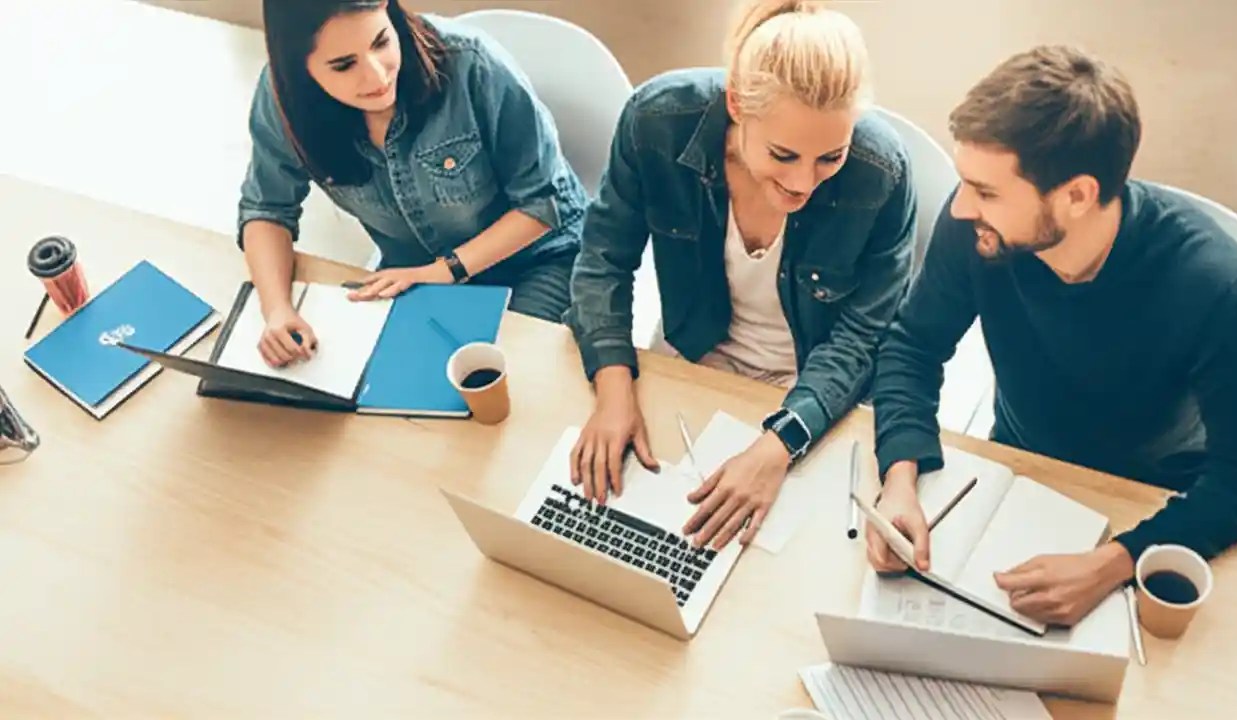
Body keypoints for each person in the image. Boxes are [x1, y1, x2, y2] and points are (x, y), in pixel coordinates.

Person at [869, 45, 1237, 626]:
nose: (961, 208)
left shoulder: (1219, 285)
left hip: (1158, 504)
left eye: (986, 191)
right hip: (1017, 469)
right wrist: (899, 477)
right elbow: (912, 348)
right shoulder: (978, 234)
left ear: (1077, 196)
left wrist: (1113, 564)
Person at [565, 0, 916, 551]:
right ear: (735, 104)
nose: (804, 183)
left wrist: (778, 446)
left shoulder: (881, 173)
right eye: (784, 153)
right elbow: (603, 257)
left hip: (815, 388)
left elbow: (862, 338)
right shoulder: (656, 121)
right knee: (628, 533)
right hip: (689, 354)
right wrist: (613, 388)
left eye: (831, 157)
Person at [238, 0, 588, 367]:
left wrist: (441, 272)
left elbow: (544, 201)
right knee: (374, 389)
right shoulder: (283, 99)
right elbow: (266, 209)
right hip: (415, 274)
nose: (376, 77)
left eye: (381, 42)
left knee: (506, 379)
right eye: (344, 65)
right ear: (298, 69)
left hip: (537, 259)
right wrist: (276, 310)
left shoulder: (472, 63)